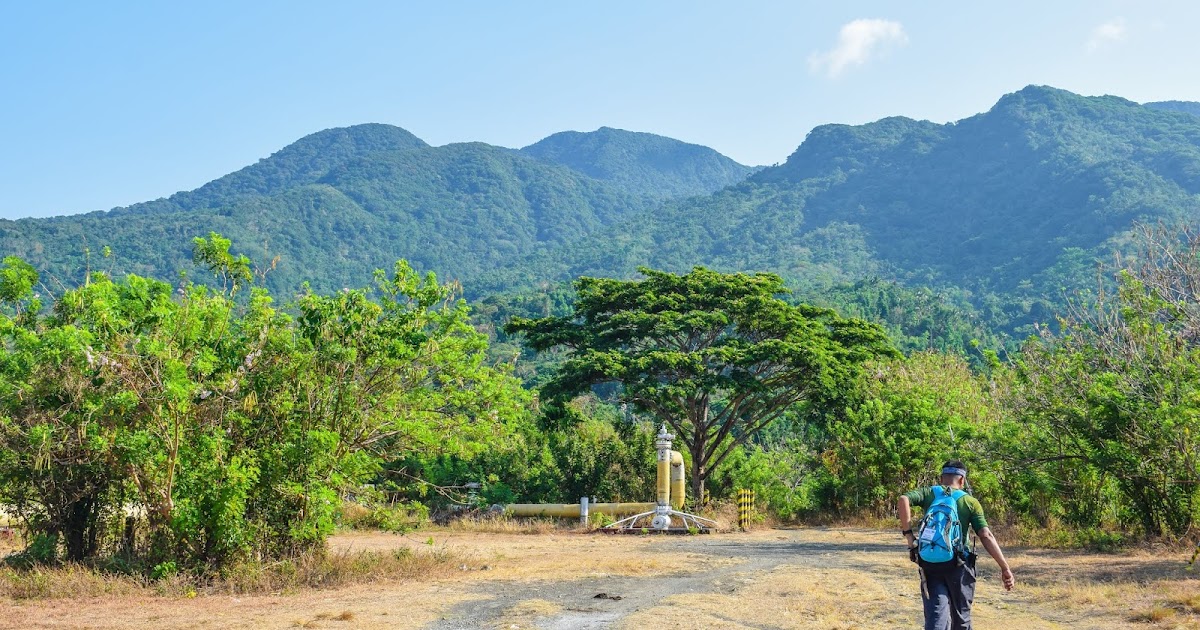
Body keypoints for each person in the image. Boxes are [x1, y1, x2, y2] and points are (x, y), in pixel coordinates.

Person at [898, 460, 1016, 630]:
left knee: (936, 617)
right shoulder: (969, 502)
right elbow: (985, 535)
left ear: (941, 478)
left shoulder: (929, 493)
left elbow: (903, 499)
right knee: (962, 618)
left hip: (930, 563)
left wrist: (909, 536)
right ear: (962, 480)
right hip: (960, 566)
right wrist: (1005, 568)